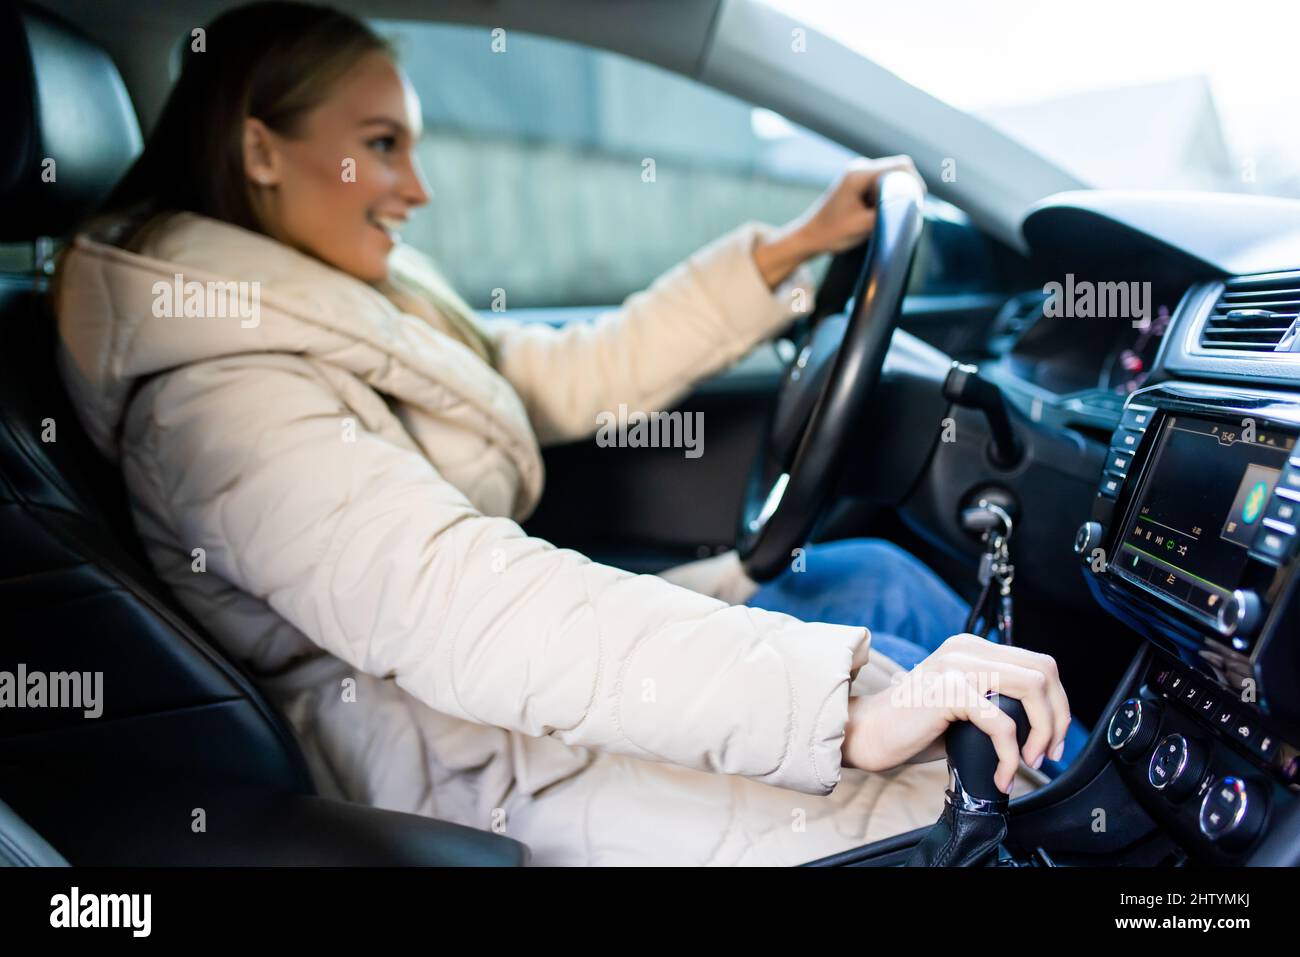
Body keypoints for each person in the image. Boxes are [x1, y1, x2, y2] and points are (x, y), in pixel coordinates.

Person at [53, 1, 1074, 865]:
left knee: (877, 582)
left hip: (501, 689)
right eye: (380, 146)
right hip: (461, 759)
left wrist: (791, 251)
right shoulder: (220, 392)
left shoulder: (328, 302)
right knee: (965, 785)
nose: (417, 186)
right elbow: (460, 605)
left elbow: (553, 374)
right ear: (259, 150)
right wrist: (840, 709)